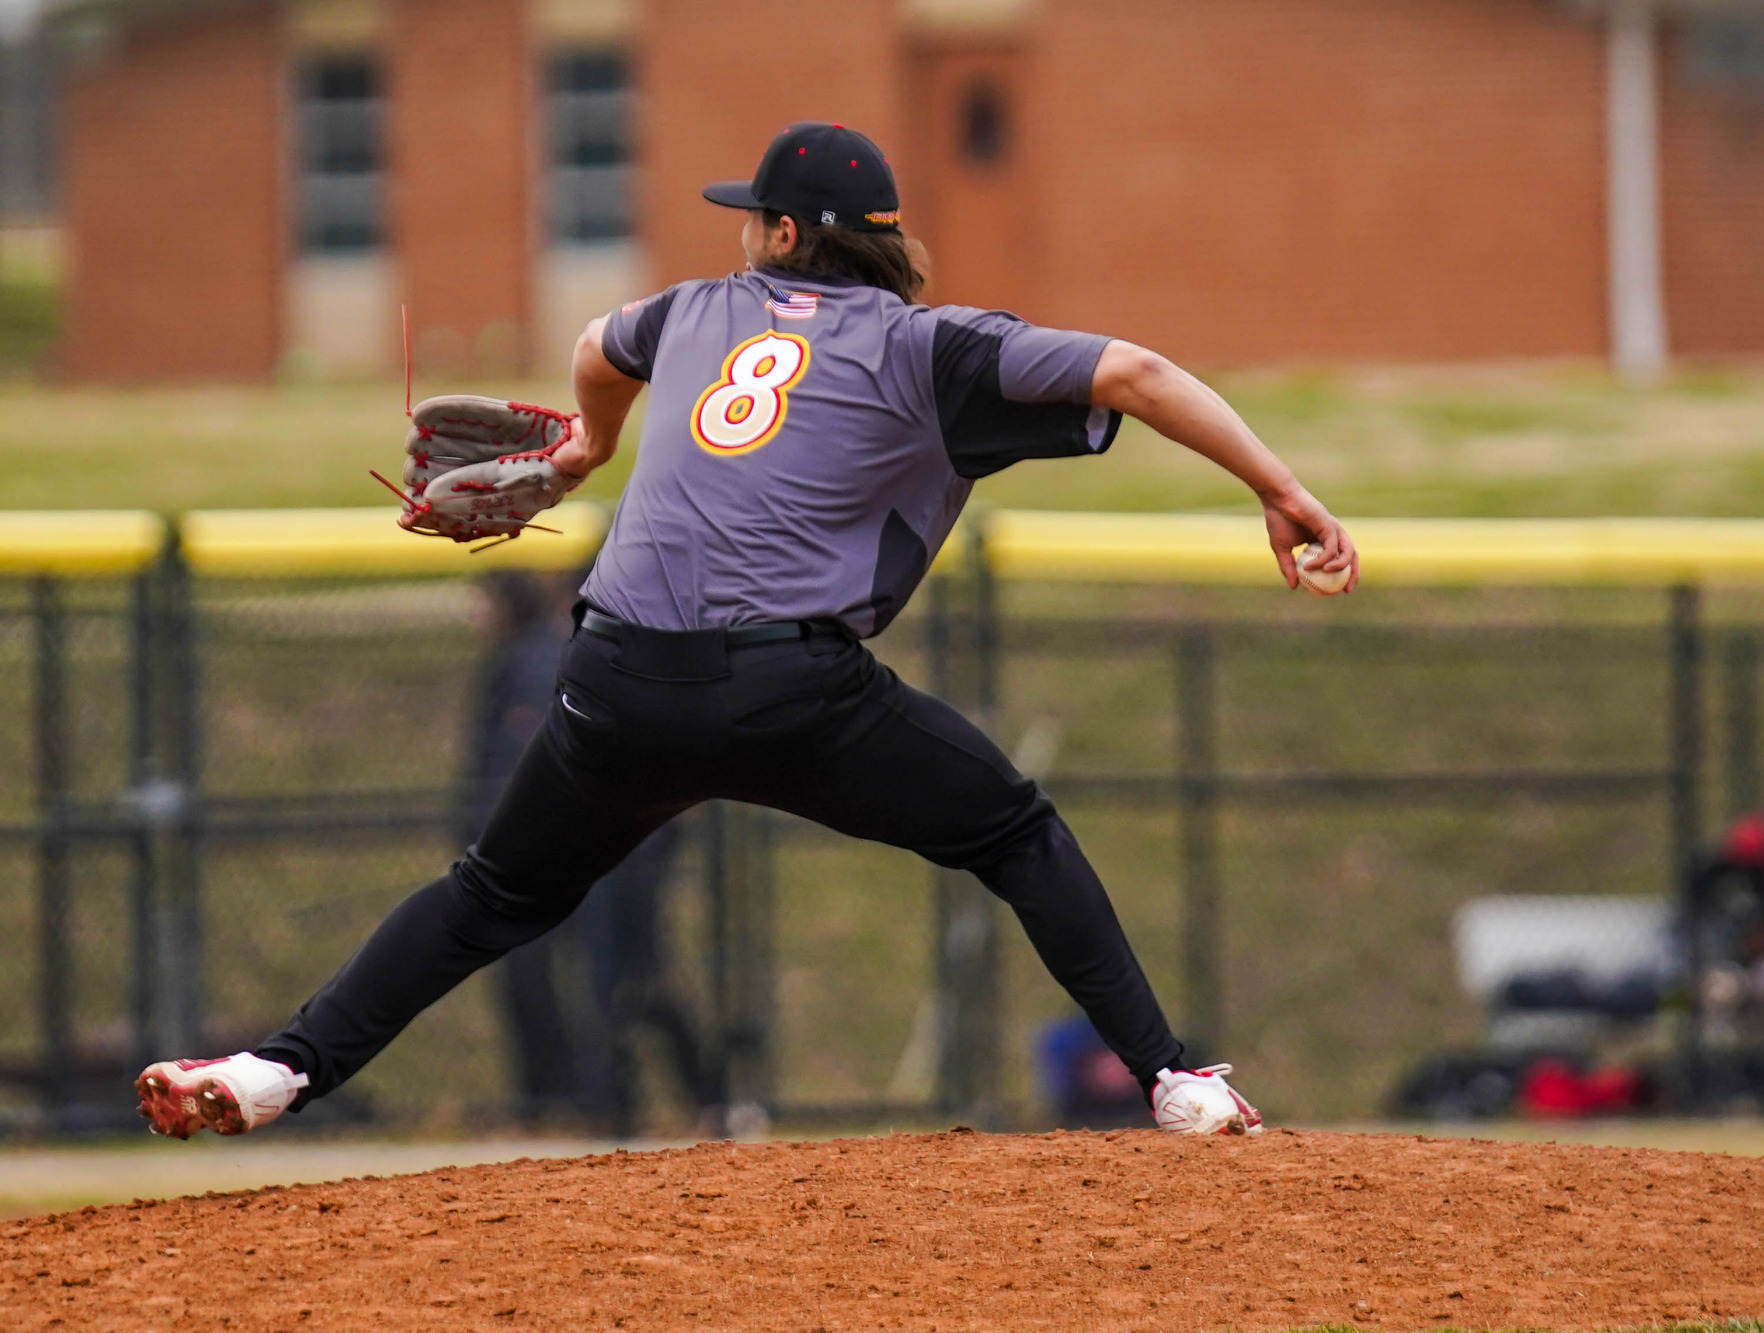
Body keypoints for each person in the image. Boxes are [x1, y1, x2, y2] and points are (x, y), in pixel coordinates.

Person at [134, 121, 1359, 1140]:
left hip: (612, 681)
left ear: (783, 233)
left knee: (490, 893)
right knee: (1013, 831)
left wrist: (581, 456)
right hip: (789, 696)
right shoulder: (932, 346)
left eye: (751, 214)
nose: (741, 230)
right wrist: (1279, 487)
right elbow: (1135, 372)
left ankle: (268, 1073)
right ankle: (1173, 1080)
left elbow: (592, 348)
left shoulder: (688, 314)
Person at [470, 572, 715, 1134]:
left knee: (626, 982)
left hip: (620, 852)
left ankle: (652, 1101)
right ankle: (597, 1103)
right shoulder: (543, 659)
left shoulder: (632, 656)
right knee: (592, 980)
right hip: (568, 843)